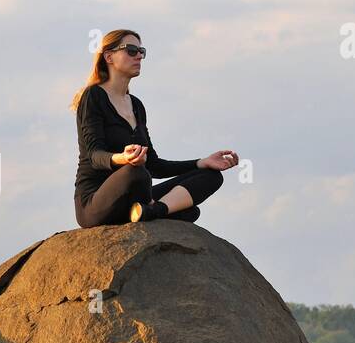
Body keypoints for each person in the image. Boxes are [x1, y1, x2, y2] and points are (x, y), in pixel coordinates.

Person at [72, 28, 239, 228]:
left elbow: (155, 165)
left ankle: (154, 210)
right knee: (137, 173)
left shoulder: (137, 106)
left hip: (136, 201)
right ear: (109, 56)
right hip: (95, 204)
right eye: (131, 50)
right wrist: (124, 159)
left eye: (141, 51)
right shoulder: (93, 97)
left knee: (211, 176)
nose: (139, 56)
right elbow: (94, 155)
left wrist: (202, 162)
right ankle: (160, 210)